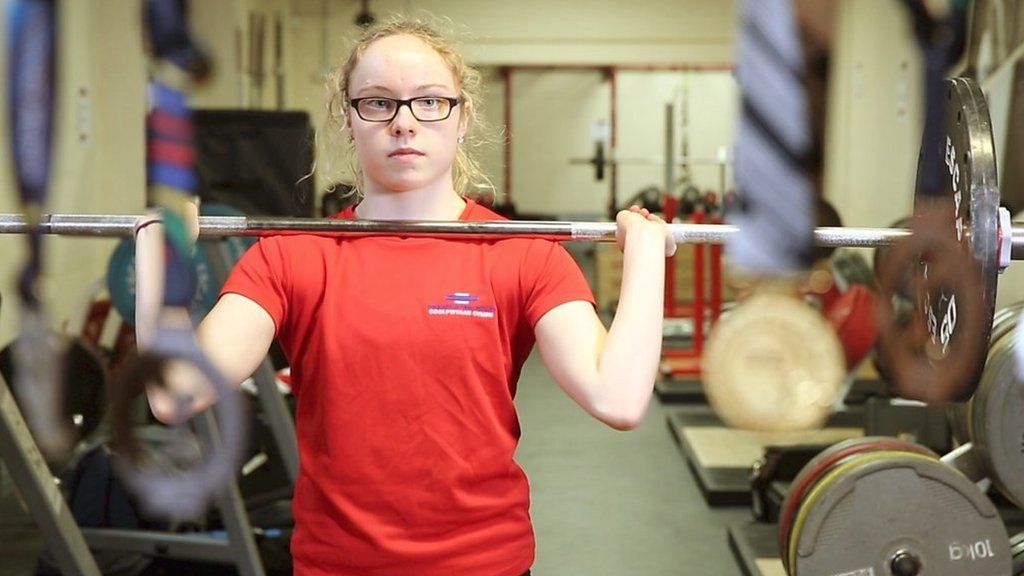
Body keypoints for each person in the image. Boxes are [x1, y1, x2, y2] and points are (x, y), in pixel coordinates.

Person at [142, 18, 675, 576]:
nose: (403, 123)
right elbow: (176, 393)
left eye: (429, 102)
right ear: (348, 119)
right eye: (377, 103)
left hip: (484, 565)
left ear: (462, 116)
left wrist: (643, 258)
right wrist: (163, 259)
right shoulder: (293, 256)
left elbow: (618, 399)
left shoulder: (523, 255)